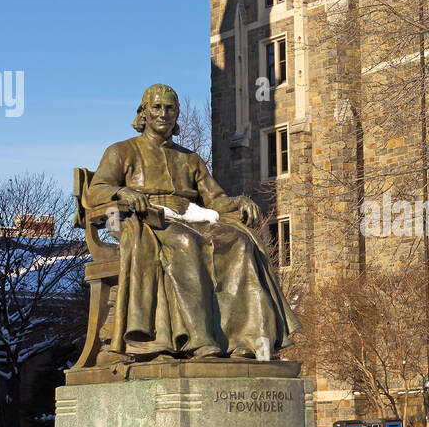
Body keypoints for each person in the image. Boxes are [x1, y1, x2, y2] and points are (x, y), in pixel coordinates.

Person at [86, 83, 299, 361]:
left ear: (177, 115)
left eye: (170, 108)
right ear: (143, 113)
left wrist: (237, 202)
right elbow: (96, 190)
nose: (163, 113)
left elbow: (215, 199)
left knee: (240, 241)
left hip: (189, 217)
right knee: (187, 243)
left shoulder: (190, 158)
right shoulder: (122, 151)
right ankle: (199, 341)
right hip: (146, 217)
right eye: (157, 107)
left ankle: (246, 341)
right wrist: (123, 192)